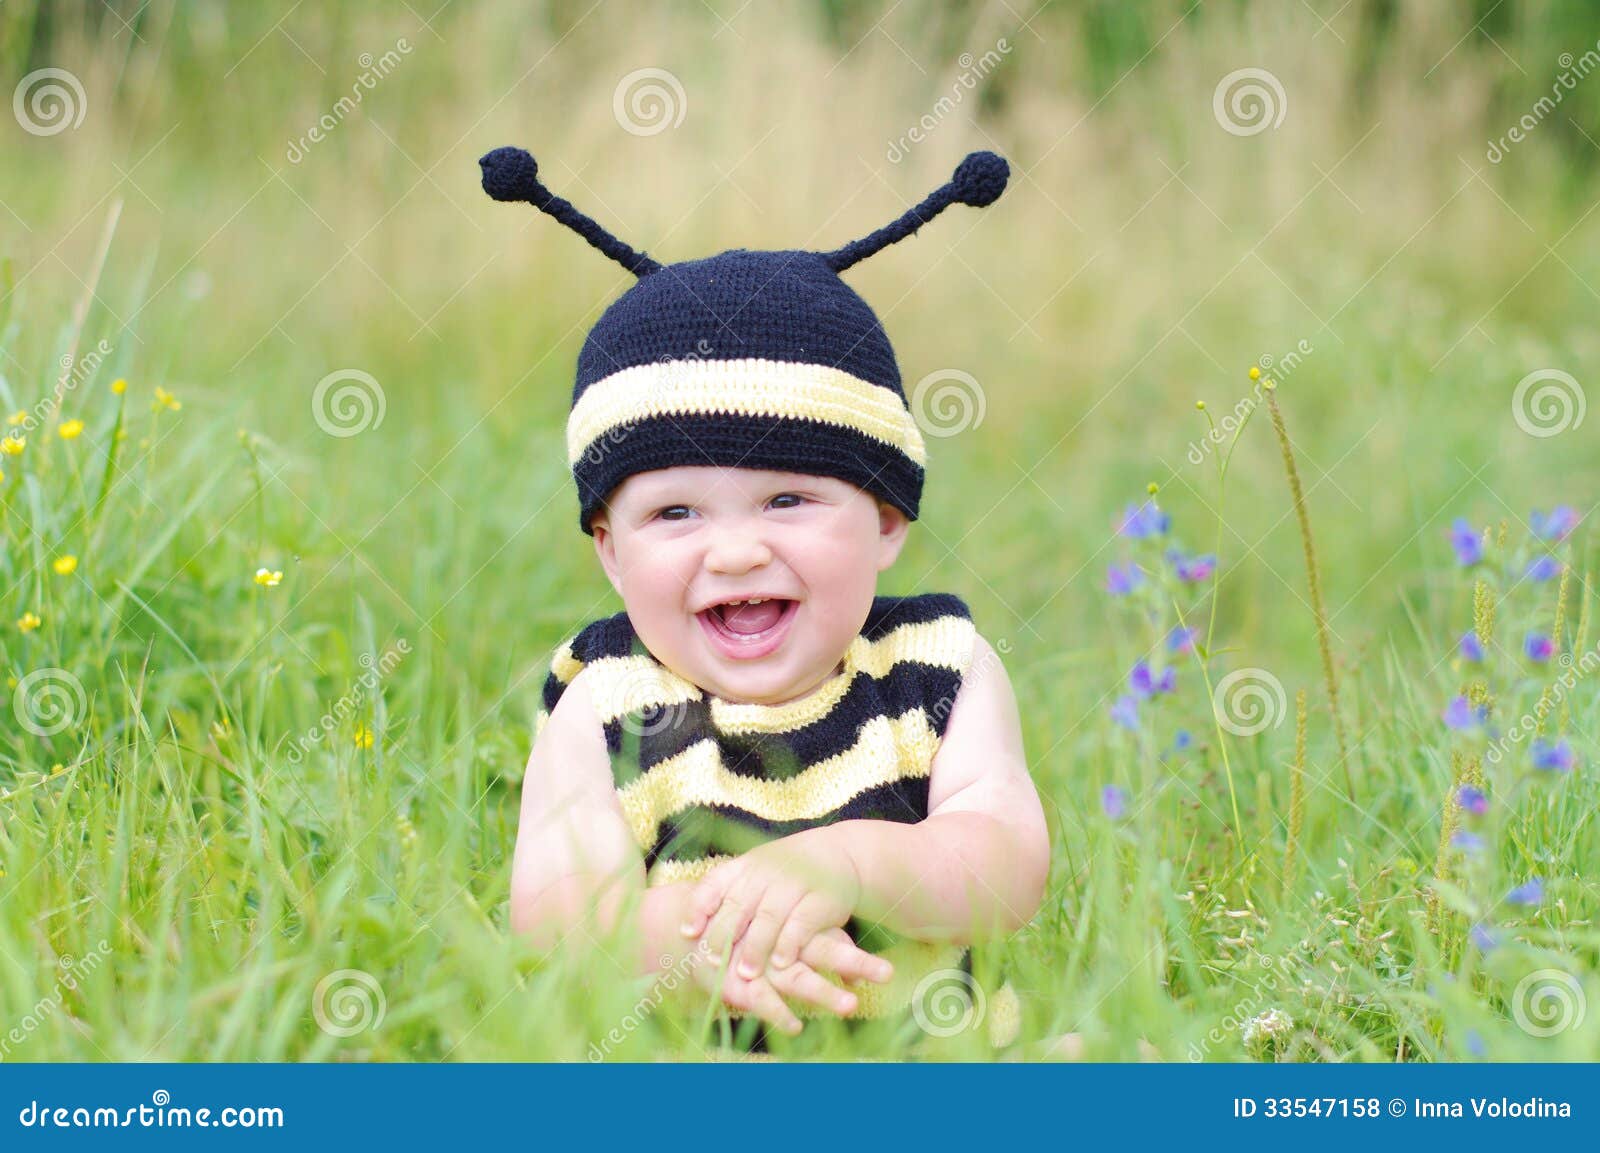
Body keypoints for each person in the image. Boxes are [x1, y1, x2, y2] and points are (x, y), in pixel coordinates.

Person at [484, 143, 1048, 1055]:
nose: (738, 549)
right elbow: (555, 918)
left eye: (789, 499)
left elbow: (1007, 867)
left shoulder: (937, 671)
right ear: (611, 551)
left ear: (888, 518)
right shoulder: (608, 707)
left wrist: (856, 862)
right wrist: (697, 940)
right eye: (674, 512)